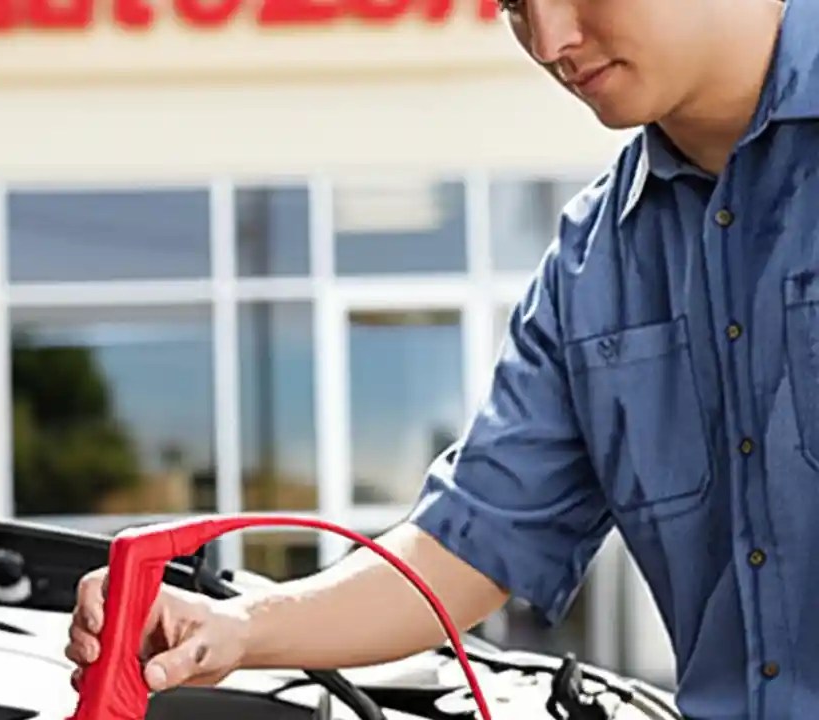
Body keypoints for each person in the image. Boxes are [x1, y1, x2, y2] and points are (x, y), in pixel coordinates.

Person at [65, 0, 819, 716]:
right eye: (515, 6)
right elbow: (468, 547)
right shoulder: (595, 266)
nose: (551, 40)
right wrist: (237, 626)